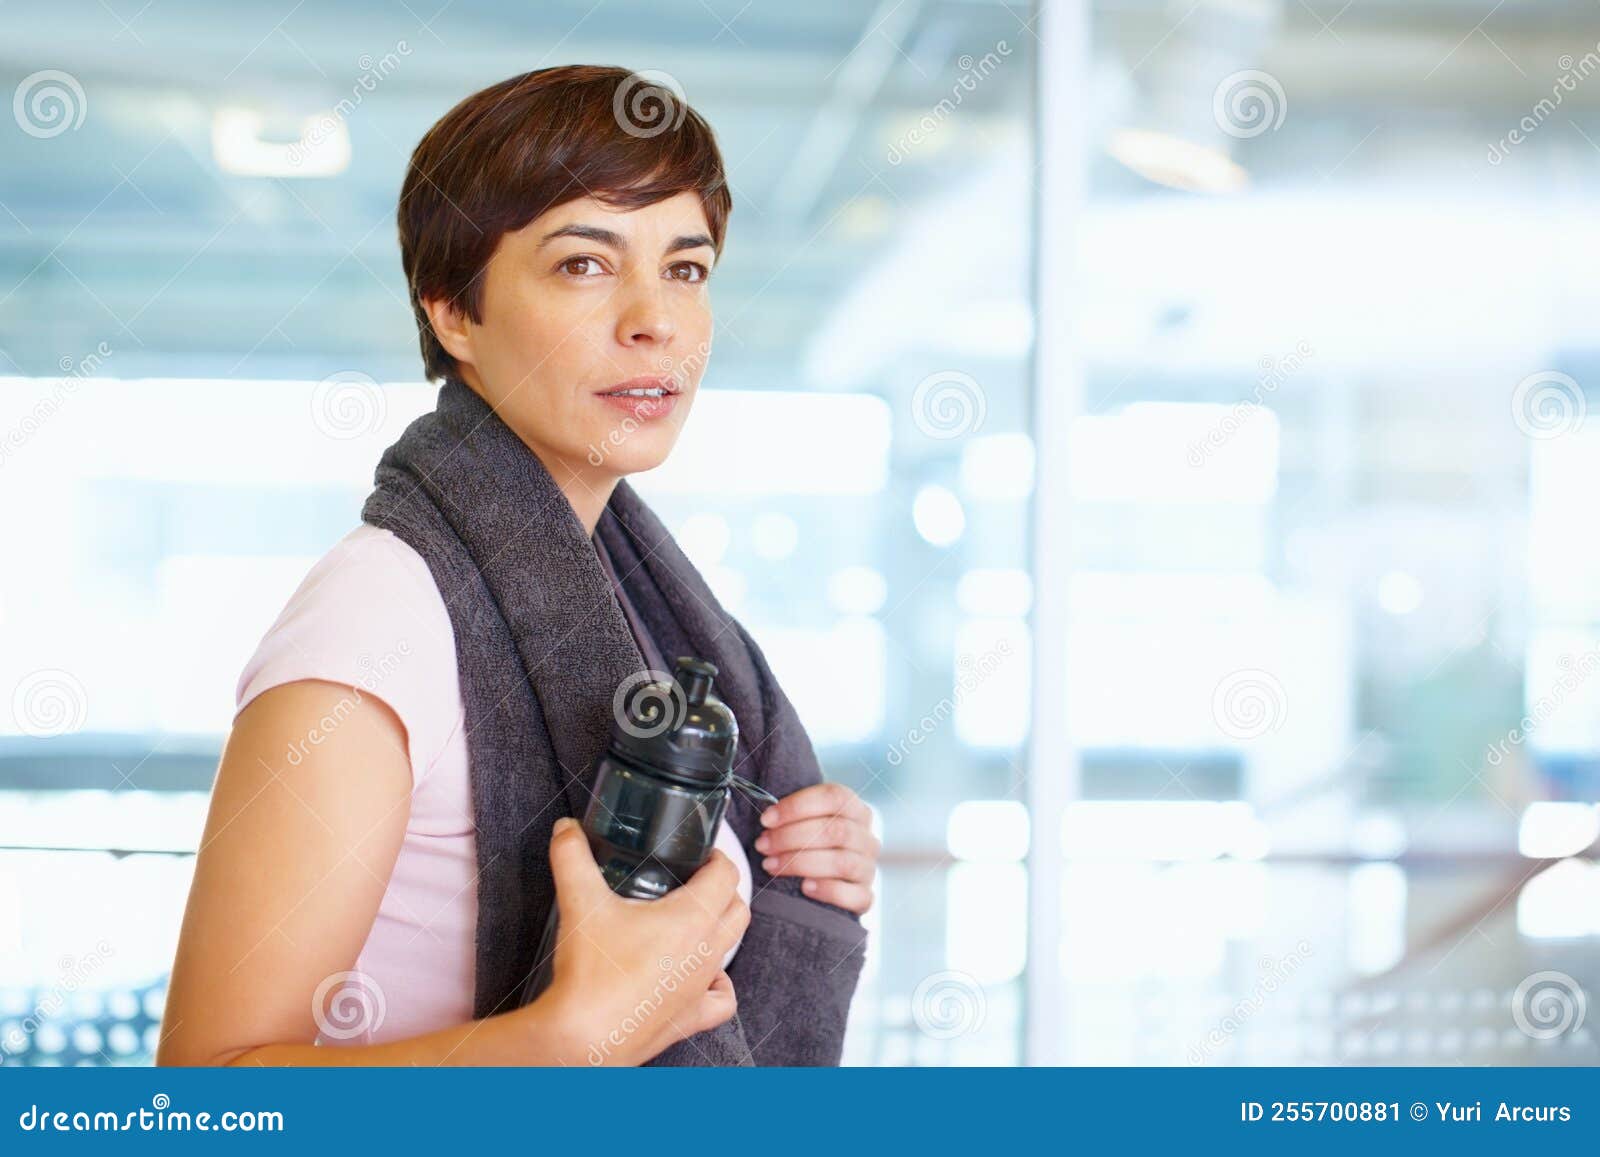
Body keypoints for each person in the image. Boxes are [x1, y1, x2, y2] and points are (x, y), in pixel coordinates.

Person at [158, 65, 879, 1067]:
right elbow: (203, 1098)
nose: (654, 319)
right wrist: (560, 1041)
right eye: (584, 264)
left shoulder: (638, 603)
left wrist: (783, 855)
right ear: (455, 311)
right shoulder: (381, 608)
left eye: (686, 267)